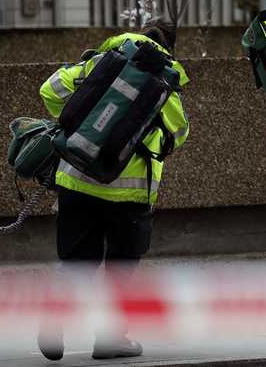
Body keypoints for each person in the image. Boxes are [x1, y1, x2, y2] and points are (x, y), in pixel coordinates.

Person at [36, 20, 190, 361]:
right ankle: (109, 339)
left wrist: (83, 124)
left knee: (77, 259)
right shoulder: (166, 80)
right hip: (130, 192)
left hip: (77, 177)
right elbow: (176, 135)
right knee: (121, 265)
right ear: (170, 47)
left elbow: (49, 90)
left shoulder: (99, 63)